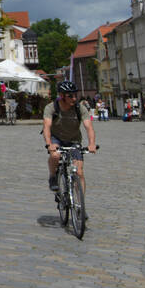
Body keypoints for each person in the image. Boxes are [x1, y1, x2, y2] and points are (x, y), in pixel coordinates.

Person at [43, 81, 98, 211]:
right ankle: (52, 176)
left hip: (74, 140)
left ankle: (80, 206)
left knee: (79, 172)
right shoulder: (51, 108)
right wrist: (49, 144)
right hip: (56, 138)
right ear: (62, 96)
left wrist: (91, 144)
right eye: (70, 96)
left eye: (75, 95)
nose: (74, 98)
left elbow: (89, 127)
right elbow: (46, 127)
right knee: (55, 155)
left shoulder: (80, 108)